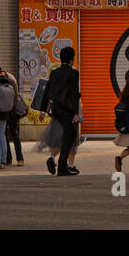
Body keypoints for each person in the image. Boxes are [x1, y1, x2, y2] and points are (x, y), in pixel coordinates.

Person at [44, 46, 81, 176]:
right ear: (72, 59)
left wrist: (46, 109)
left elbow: (49, 91)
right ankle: (62, 167)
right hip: (67, 109)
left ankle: (60, 163)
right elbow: (74, 93)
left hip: (56, 109)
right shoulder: (73, 73)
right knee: (69, 136)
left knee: (69, 135)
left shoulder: (54, 72)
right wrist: (76, 112)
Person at [2, 66, 25, 167]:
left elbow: (15, 96)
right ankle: (8, 158)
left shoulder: (10, 79)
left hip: (13, 110)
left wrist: (10, 109)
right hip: (5, 109)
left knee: (14, 134)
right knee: (5, 134)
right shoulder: (3, 78)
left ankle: (20, 158)